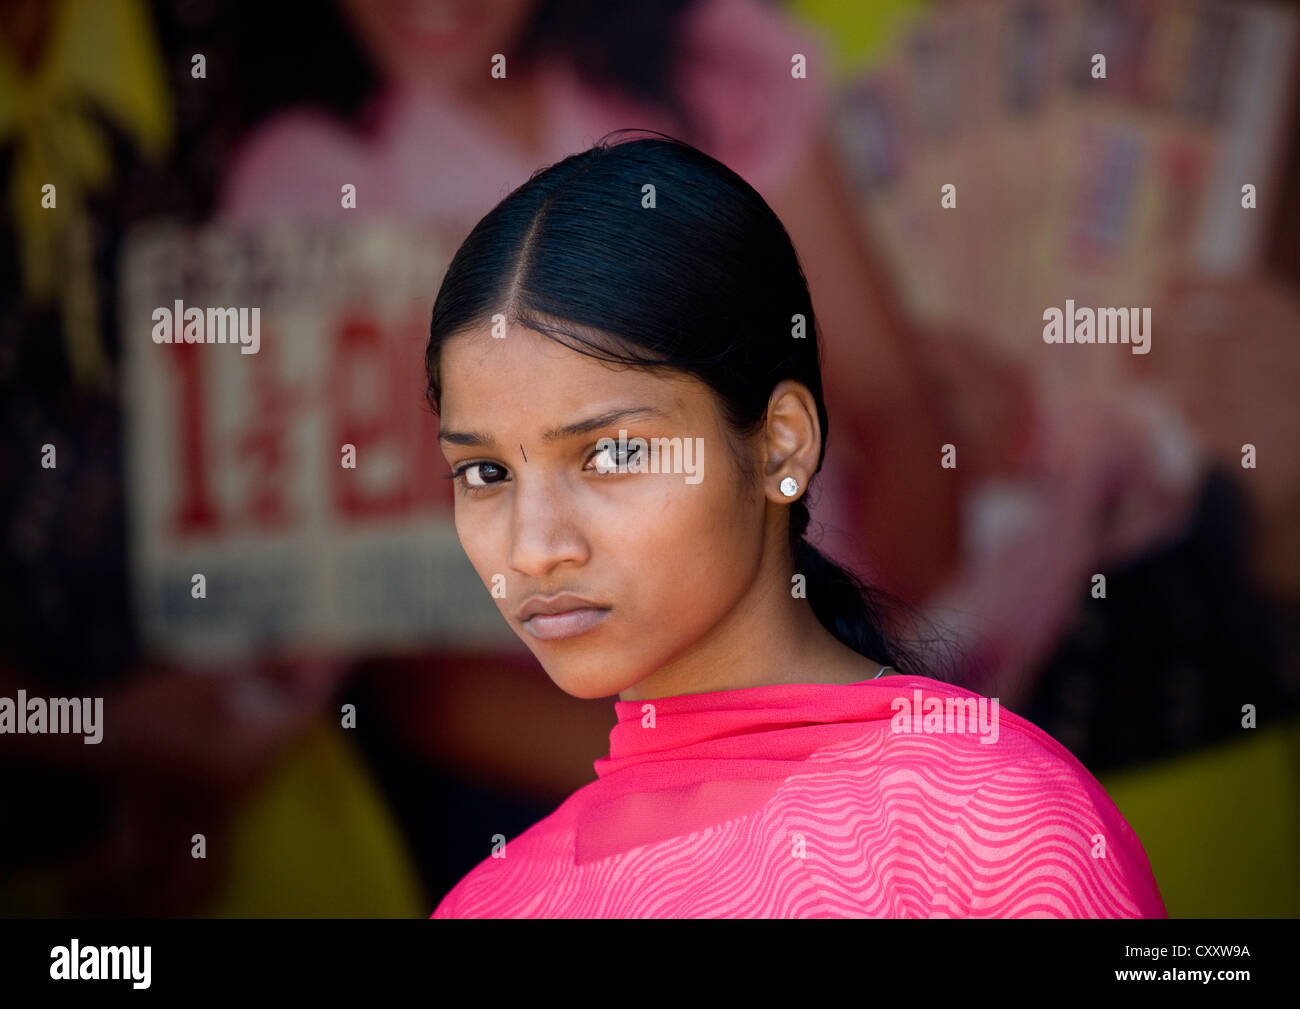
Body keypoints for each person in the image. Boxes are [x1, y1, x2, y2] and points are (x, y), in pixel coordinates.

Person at [424, 132, 1167, 917]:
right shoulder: (495, 902)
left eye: (609, 455)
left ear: (783, 441)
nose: (533, 547)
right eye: (486, 473)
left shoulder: (992, 824)